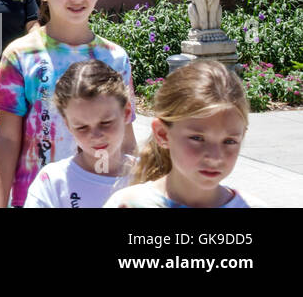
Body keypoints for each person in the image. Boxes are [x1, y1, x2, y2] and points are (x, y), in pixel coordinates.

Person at [0, 0, 137, 208]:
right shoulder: (21, 55)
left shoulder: (115, 57)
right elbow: (7, 139)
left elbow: (126, 139)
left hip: (103, 198)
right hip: (35, 197)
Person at [105, 60, 257, 208]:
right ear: (162, 134)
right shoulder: (128, 204)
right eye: (197, 138)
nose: (215, 157)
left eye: (229, 141)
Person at [25, 59, 135, 208]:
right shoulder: (53, 182)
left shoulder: (150, 177)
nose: (96, 135)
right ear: (68, 125)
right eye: (82, 127)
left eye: (106, 123)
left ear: (127, 113)